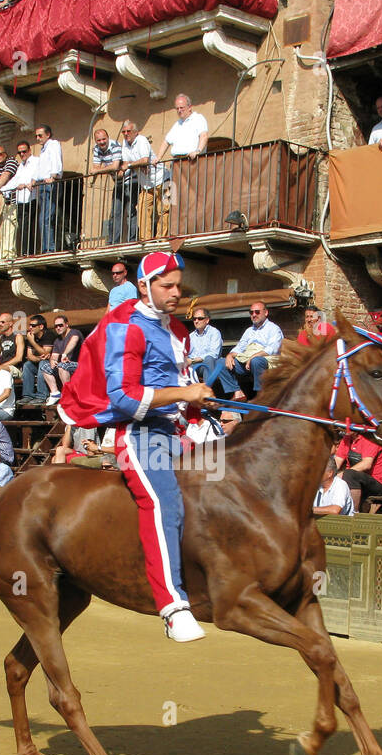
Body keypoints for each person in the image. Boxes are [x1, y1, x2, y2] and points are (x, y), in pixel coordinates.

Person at [58, 250, 214, 642]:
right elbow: (125, 398)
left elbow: (179, 387)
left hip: (177, 432)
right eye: (167, 285)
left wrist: (195, 398)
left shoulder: (174, 330)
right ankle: (172, 607)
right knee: (164, 503)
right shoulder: (126, 328)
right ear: (144, 286)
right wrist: (184, 391)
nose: (177, 292)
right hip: (140, 436)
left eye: (179, 285)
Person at [224, 302, 283, 397]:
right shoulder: (249, 331)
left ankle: (261, 396)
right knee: (222, 363)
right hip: (247, 359)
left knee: (256, 361)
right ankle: (237, 392)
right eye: (251, 312)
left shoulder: (274, 329)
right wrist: (230, 355)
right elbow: (240, 347)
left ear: (266, 312)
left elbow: (272, 349)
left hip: (266, 360)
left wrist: (253, 357)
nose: (254, 315)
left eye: (257, 312)